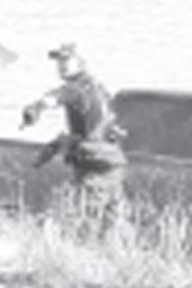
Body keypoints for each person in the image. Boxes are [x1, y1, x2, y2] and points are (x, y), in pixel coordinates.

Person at [22, 43, 128, 232]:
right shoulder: (98, 88)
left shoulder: (75, 89)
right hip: (112, 165)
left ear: (81, 62)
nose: (61, 65)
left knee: (79, 223)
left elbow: (52, 99)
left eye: (66, 60)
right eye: (59, 61)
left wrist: (34, 109)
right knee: (110, 228)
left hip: (95, 170)